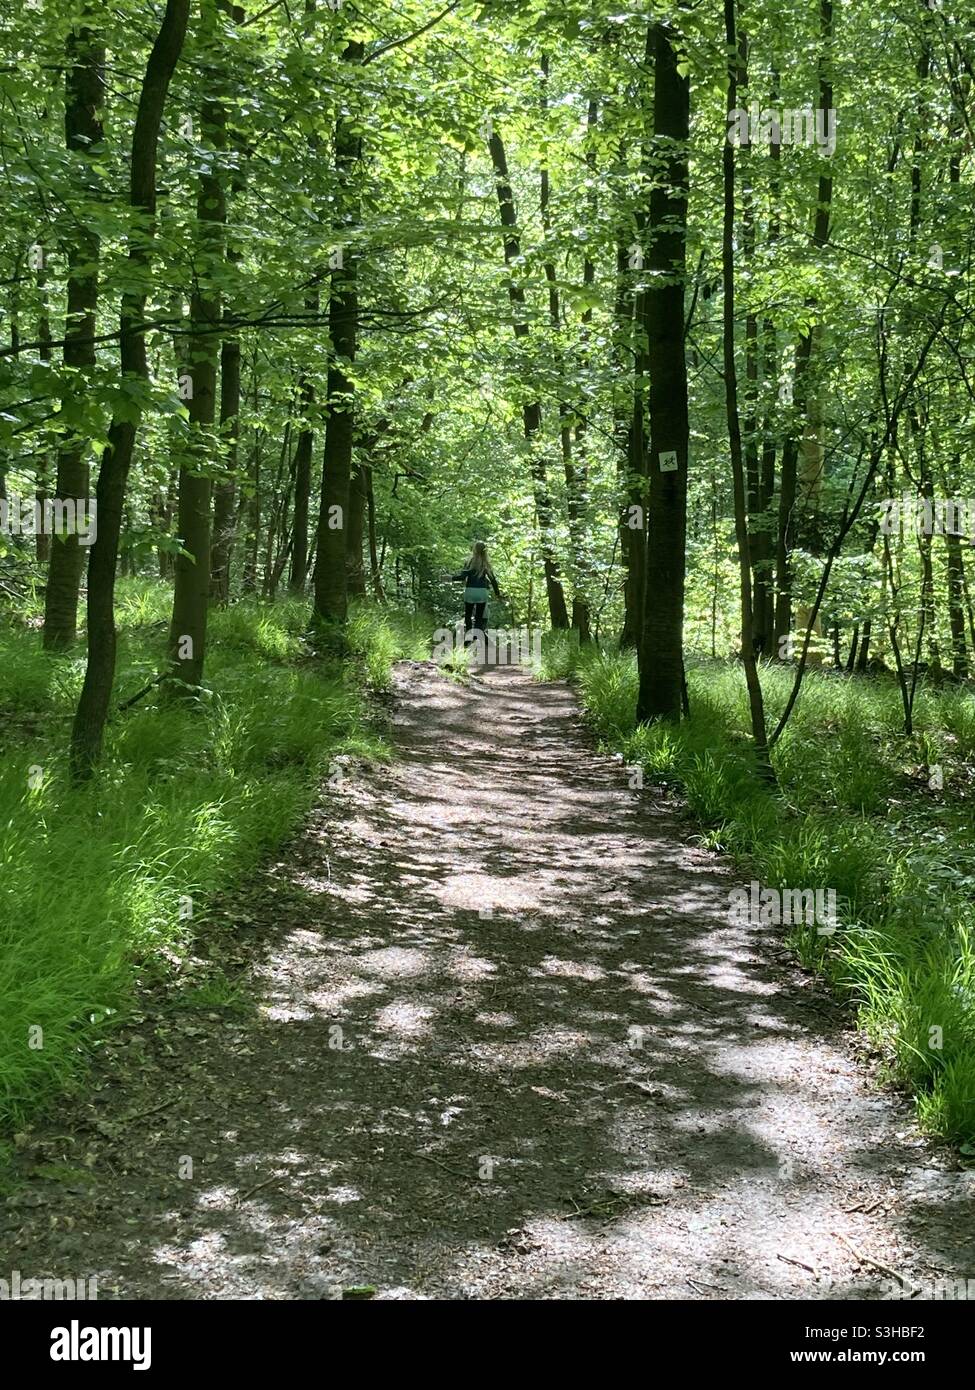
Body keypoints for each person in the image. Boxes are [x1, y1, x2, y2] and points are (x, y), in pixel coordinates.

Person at [451, 541, 501, 643]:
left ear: (474, 549)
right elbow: (493, 580)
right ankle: (476, 637)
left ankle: (468, 639)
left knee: (468, 615)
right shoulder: (486, 564)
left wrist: (449, 578)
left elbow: (461, 577)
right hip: (482, 592)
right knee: (479, 616)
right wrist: (497, 594)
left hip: (470, 591)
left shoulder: (469, 562)